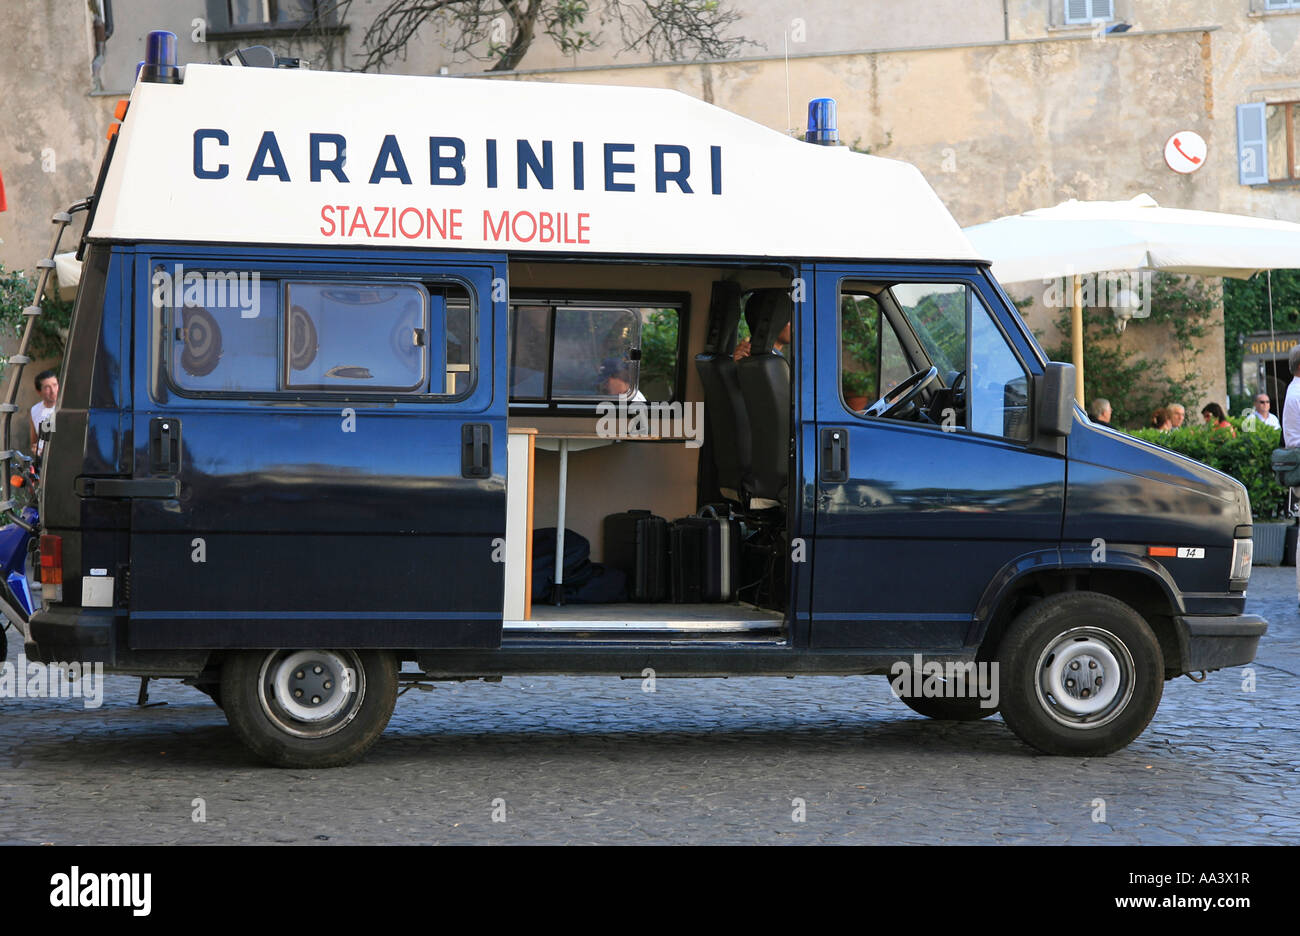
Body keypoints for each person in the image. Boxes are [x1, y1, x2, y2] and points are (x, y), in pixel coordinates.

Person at [30, 369, 58, 458]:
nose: (53, 391)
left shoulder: (67, 408)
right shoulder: (35, 410)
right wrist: (36, 449)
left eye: (55, 385)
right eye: (47, 387)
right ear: (39, 391)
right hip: (43, 462)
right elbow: (34, 443)